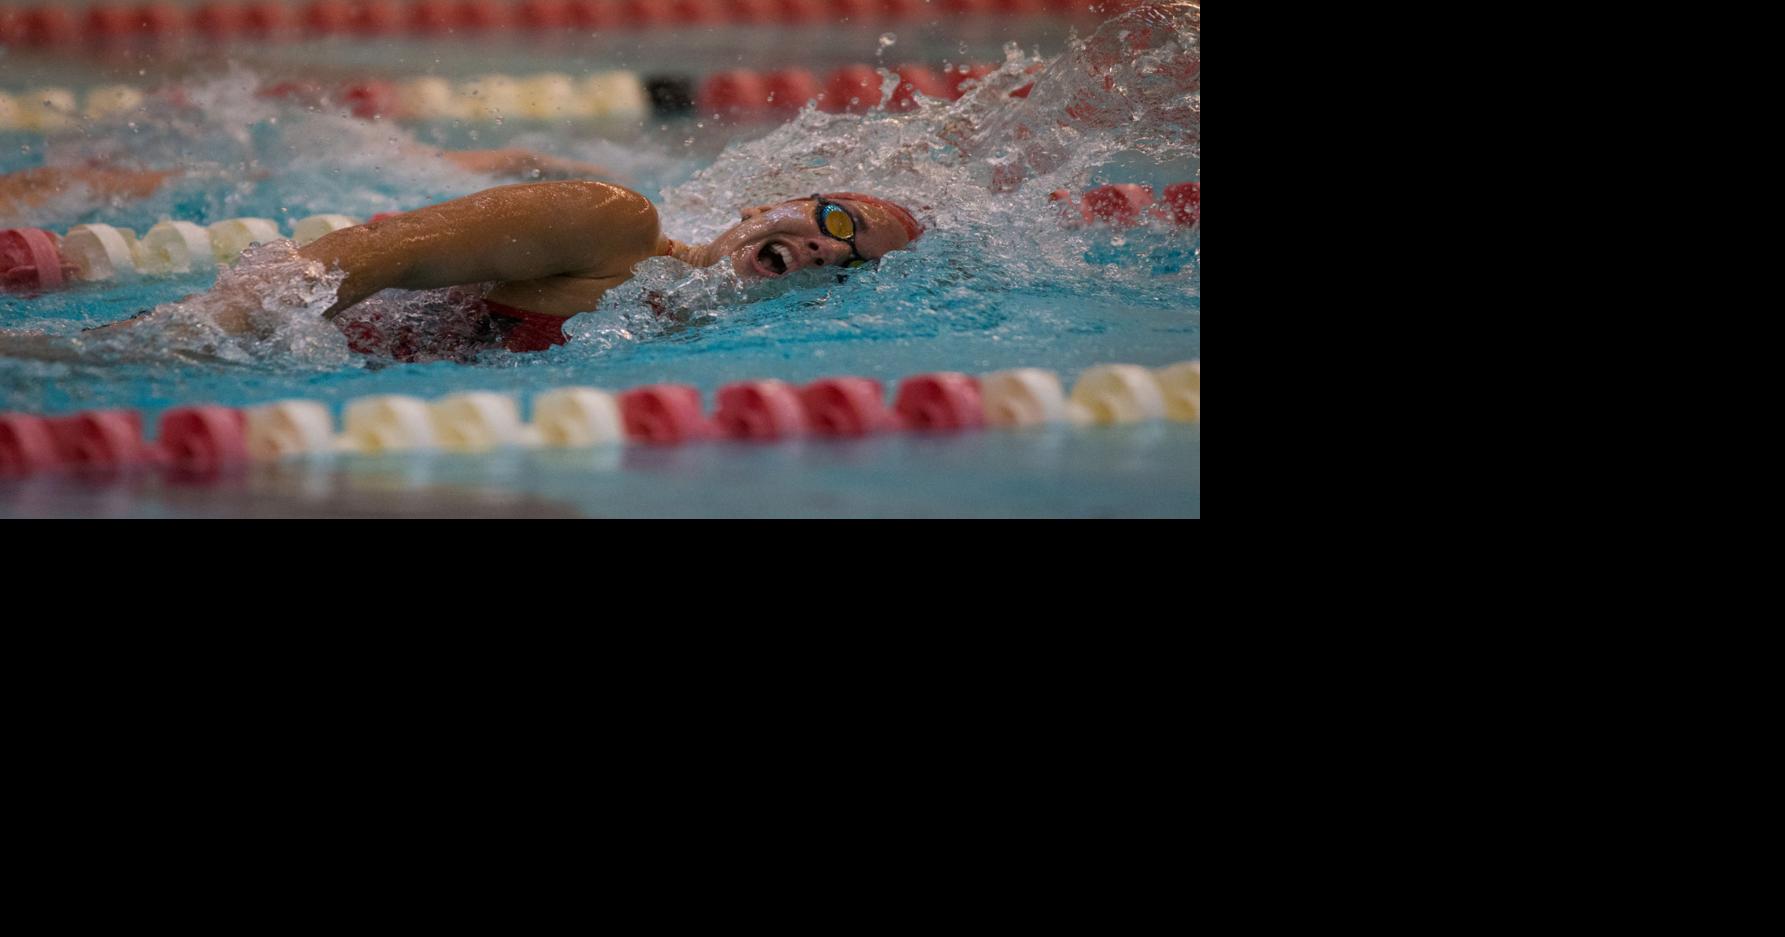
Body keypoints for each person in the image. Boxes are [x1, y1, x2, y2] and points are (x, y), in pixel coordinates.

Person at [81, 181, 925, 363]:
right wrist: (179, 338)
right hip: (238, 348)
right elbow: (366, 256)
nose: (826, 251)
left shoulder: (691, 332)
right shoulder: (613, 226)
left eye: (848, 265)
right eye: (833, 225)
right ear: (761, 206)